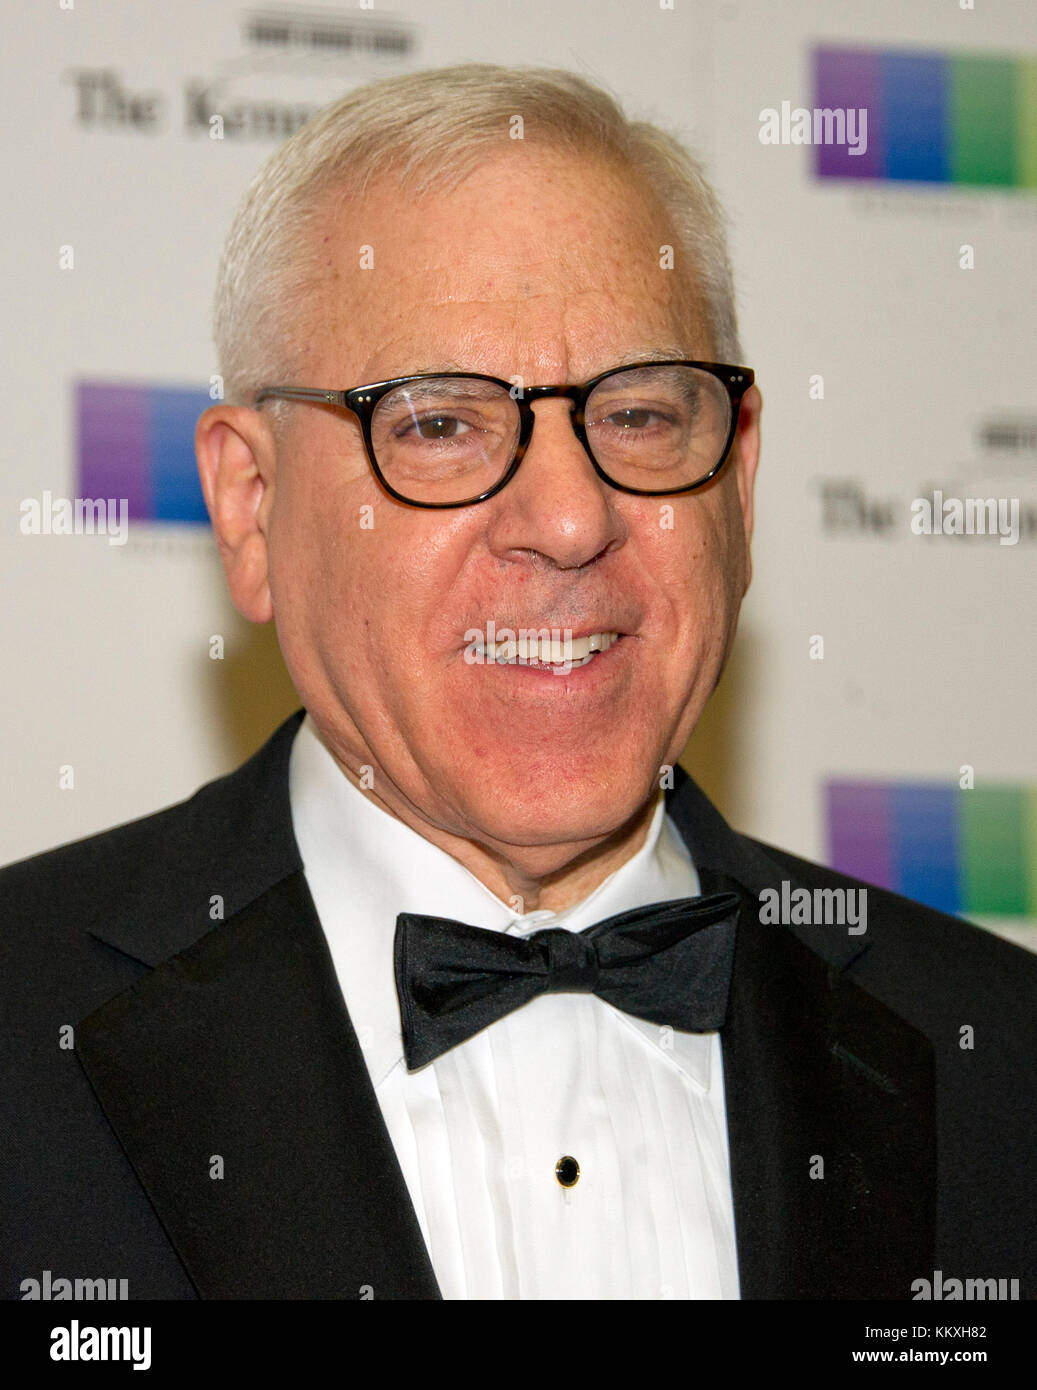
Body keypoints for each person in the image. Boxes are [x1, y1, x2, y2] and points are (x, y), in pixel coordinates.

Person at [2, 64, 1034, 1302]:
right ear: (251, 505)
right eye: (439, 423)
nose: (567, 516)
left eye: (642, 414)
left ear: (739, 483)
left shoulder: (999, 1057)